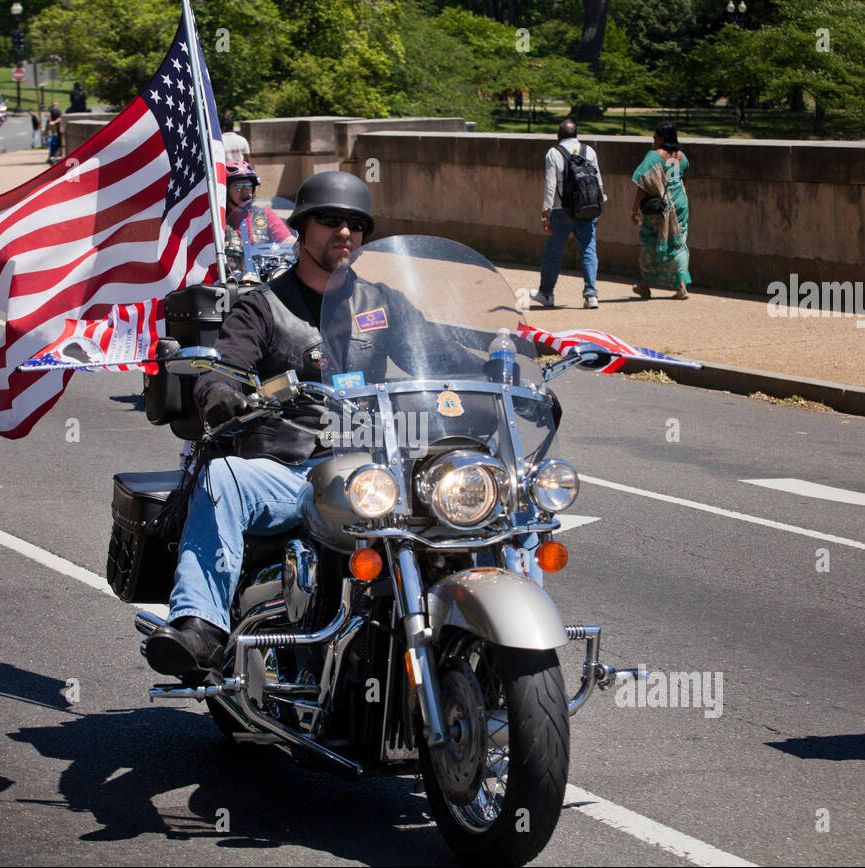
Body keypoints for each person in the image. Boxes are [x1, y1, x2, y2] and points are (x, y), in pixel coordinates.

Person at [141, 171, 472, 683]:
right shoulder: (264, 307)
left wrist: (502, 374)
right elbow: (220, 366)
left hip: (370, 475)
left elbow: (444, 357)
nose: (345, 232)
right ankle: (200, 626)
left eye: (357, 224)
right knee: (224, 478)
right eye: (332, 219)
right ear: (301, 227)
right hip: (290, 473)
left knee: (467, 494)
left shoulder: (382, 304)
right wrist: (221, 393)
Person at [530, 119, 603, 311]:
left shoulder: (554, 153)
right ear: (576, 134)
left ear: (558, 135)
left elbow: (550, 185)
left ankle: (546, 294)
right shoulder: (589, 151)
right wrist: (598, 206)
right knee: (588, 250)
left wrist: (546, 213)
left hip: (562, 210)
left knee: (553, 253)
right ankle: (591, 294)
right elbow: (598, 180)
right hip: (587, 208)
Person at [630, 122, 690, 300]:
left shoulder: (653, 156)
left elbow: (642, 185)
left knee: (650, 242)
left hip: (660, 205)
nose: (653, 140)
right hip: (679, 203)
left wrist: (633, 211)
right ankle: (681, 285)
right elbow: (683, 178)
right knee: (678, 243)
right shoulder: (681, 156)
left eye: (655, 137)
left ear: (662, 138)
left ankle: (645, 285)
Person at [223, 161, 293, 275]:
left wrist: (299, 247)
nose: (245, 192)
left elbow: (287, 240)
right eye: (238, 187)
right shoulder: (219, 219)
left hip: (262, 276)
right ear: (226, 190)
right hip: (230, 278)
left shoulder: (265, 214)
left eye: (248, 186)